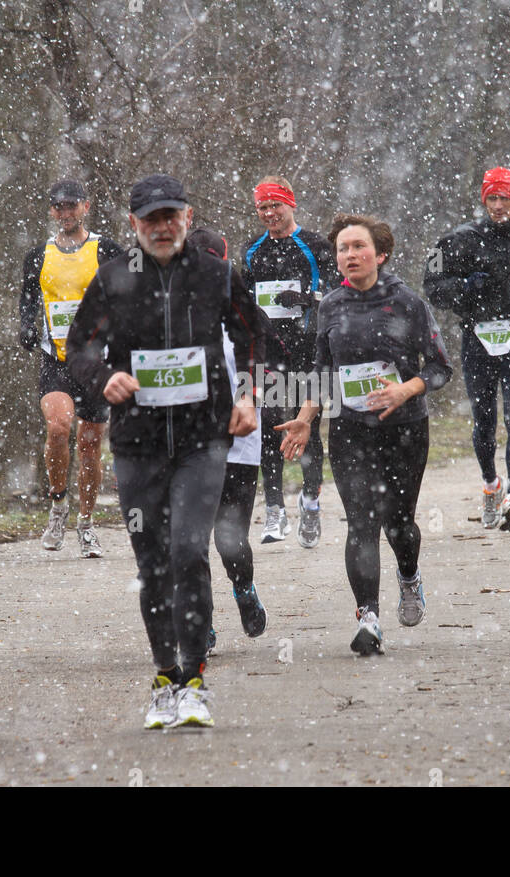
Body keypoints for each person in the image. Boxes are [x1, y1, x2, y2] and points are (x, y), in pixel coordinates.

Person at [64, 176, 262, 729]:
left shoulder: (216, 275)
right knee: (152, 563)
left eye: (171, 216)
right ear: (133, 224)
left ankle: (194, 680)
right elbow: (79, 345)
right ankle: (164, 679)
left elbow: (254, 335)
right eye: (150, 219)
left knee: (189, 551)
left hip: (204, 440)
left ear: (188, 216)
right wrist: (105, 377)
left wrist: (246, 394)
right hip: (137, 443)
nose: (162, 226)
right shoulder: (112, 279)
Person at [277, 213, 452, 656]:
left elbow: (439, 367)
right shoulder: (330, 305)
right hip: (351, 429)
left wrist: (404, 389)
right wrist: (305, 417)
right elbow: (322, 370)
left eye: (358, 247)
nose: (350, 255)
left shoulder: (408, 302)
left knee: (399, 524)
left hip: (405, 429)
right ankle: (368, 619)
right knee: (360, 524)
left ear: (381, 254)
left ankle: (408, 576)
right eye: (343, 249)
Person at [425, 166, 510, 531]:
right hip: (477, 339)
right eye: (492, 197)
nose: (498, 204)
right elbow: (434, 286)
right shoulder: (458, 239)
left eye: (505, 197)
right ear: (483, 199)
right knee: (484, 421)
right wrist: (466, 287)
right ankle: (491, 485)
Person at [19, 179, 123, 555]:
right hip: (57, 359)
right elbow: (29, 298)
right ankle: (58, 505)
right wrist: (25, 326)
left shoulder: (106, 249)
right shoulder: (37, 254)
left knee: (91, 444)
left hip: (96, 361)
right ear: (51, 211)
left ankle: (87, 523)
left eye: (72, 206)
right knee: (59, 427)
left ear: (86, 207)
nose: (65, 213)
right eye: (59, 207)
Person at [242, 176, 340, 547]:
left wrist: (307, 299)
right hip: (269, 350)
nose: (269, 214)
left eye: (275, 206)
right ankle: (274, 509)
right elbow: (245, 297)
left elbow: (336, 292)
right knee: (267, 424)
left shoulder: (314, 245)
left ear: (290, 204)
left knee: (307, 427)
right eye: (262, 208)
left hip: (308, 348)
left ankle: (311, 501)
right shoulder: (252, 249)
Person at [187, 227, 270, 650]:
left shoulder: (242, 312)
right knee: (192, 538)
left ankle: (243, 588)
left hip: (238, 444)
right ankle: (201, 621)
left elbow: (263, 366)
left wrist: (247, 400)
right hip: (188, 446)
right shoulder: (171, 315)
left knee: (229, 537)